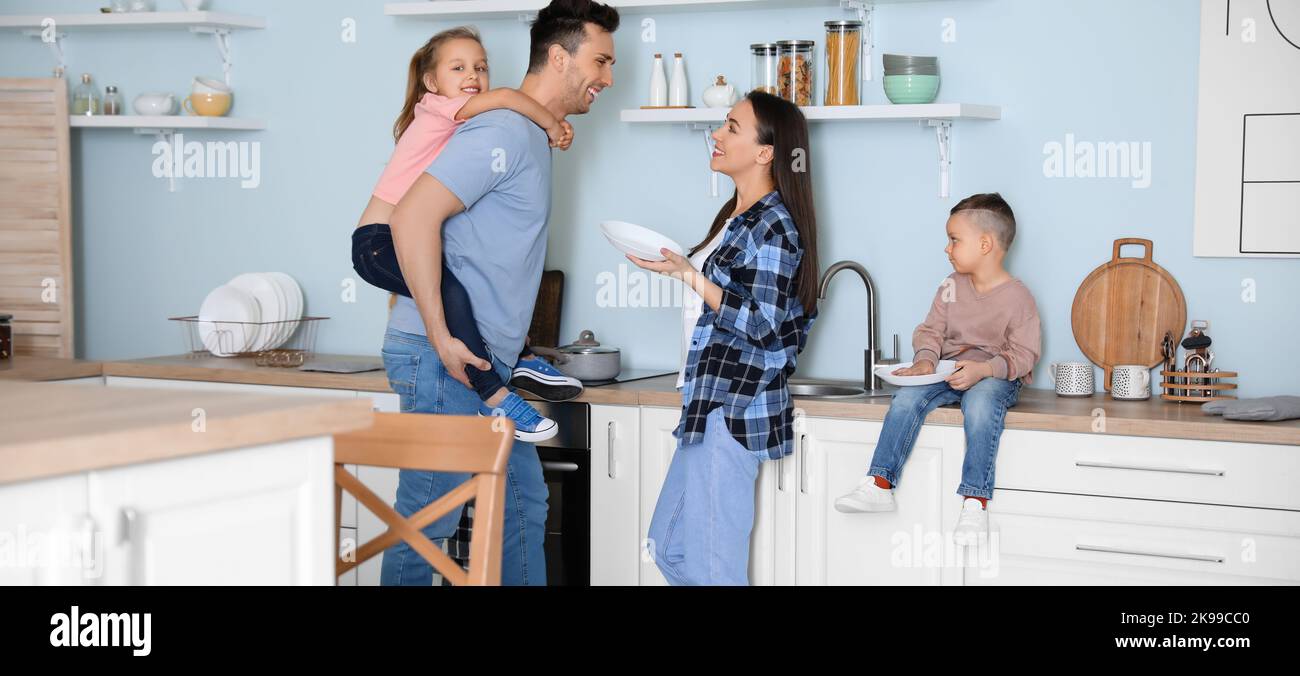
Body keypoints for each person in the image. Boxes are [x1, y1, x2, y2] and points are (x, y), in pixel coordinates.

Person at [376, 0, 619, 586]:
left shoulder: (531, 132)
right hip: (446, 361)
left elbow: (483, 256)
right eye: (601, 61)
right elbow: (411, 221)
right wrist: (442, 338)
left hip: (483, 364)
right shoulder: (505, 129)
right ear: (560, 58)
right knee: (429, 521)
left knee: (521, 506)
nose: (608, 79)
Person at [351, 25, 581, 442]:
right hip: (376, 242)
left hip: (387, 239)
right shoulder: (442, 108)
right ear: (432, 82)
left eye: (481, 67)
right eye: (458, 68)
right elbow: (510, 97)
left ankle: (520, 357)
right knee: (450, 292)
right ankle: (493, 392)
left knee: (460, 292)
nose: (473, 76)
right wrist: (552, 124)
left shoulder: (458, 122)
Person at [628, 91, 820, 585]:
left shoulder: (774, 225)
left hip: (732, 411)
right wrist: (683, 270)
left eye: (732, 126)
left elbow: (762, 323)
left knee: (715, 570)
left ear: (765, 152)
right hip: (705, 405)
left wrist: (690, 276)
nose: (717, 134)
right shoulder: (737, 217)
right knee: (669, 549)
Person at [834, 193, 1041, 546]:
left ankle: (975, 503)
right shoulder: (951, 285)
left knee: (979, 404)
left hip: (993, 377)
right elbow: (931, 329)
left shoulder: (1017, 298)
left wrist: (983, 370)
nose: (947, 248)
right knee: (906, 397)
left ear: (985, 244)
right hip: (947, 370)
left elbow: (1024, 355)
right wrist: (926, 360)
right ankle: (880, 483)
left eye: (954, 239)